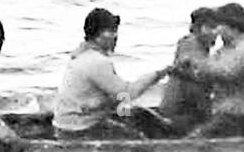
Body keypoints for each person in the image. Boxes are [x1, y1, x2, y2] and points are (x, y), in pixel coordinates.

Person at [52, 8, 173, 138]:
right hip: (78, 128)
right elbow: (126, 94)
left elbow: (115, 98)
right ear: (98, 35)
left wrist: (126, 115)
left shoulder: (82, 54)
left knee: (136, 114)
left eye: (115, 31)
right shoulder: (96, 62)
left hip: (70, 123)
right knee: (136, 137)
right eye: (111, 32)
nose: (115, 36)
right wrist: (158, 75)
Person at [180, 2, 244, 137]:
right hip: (225, 114)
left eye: (220, 25)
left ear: (233, 26)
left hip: (243, 116)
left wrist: (196, 63)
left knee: (196, 138)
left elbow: (228, 72)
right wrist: (190, 70)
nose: (217, 30)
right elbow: (207, 71)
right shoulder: (224, 50)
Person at [157, 7, 218, 132]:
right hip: (180, 116)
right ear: (198, 28)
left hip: (174, 111)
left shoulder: (187, 42)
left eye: (216, 28)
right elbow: (194, 86)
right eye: (210, 28)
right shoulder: (192, 45)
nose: (215, 33)